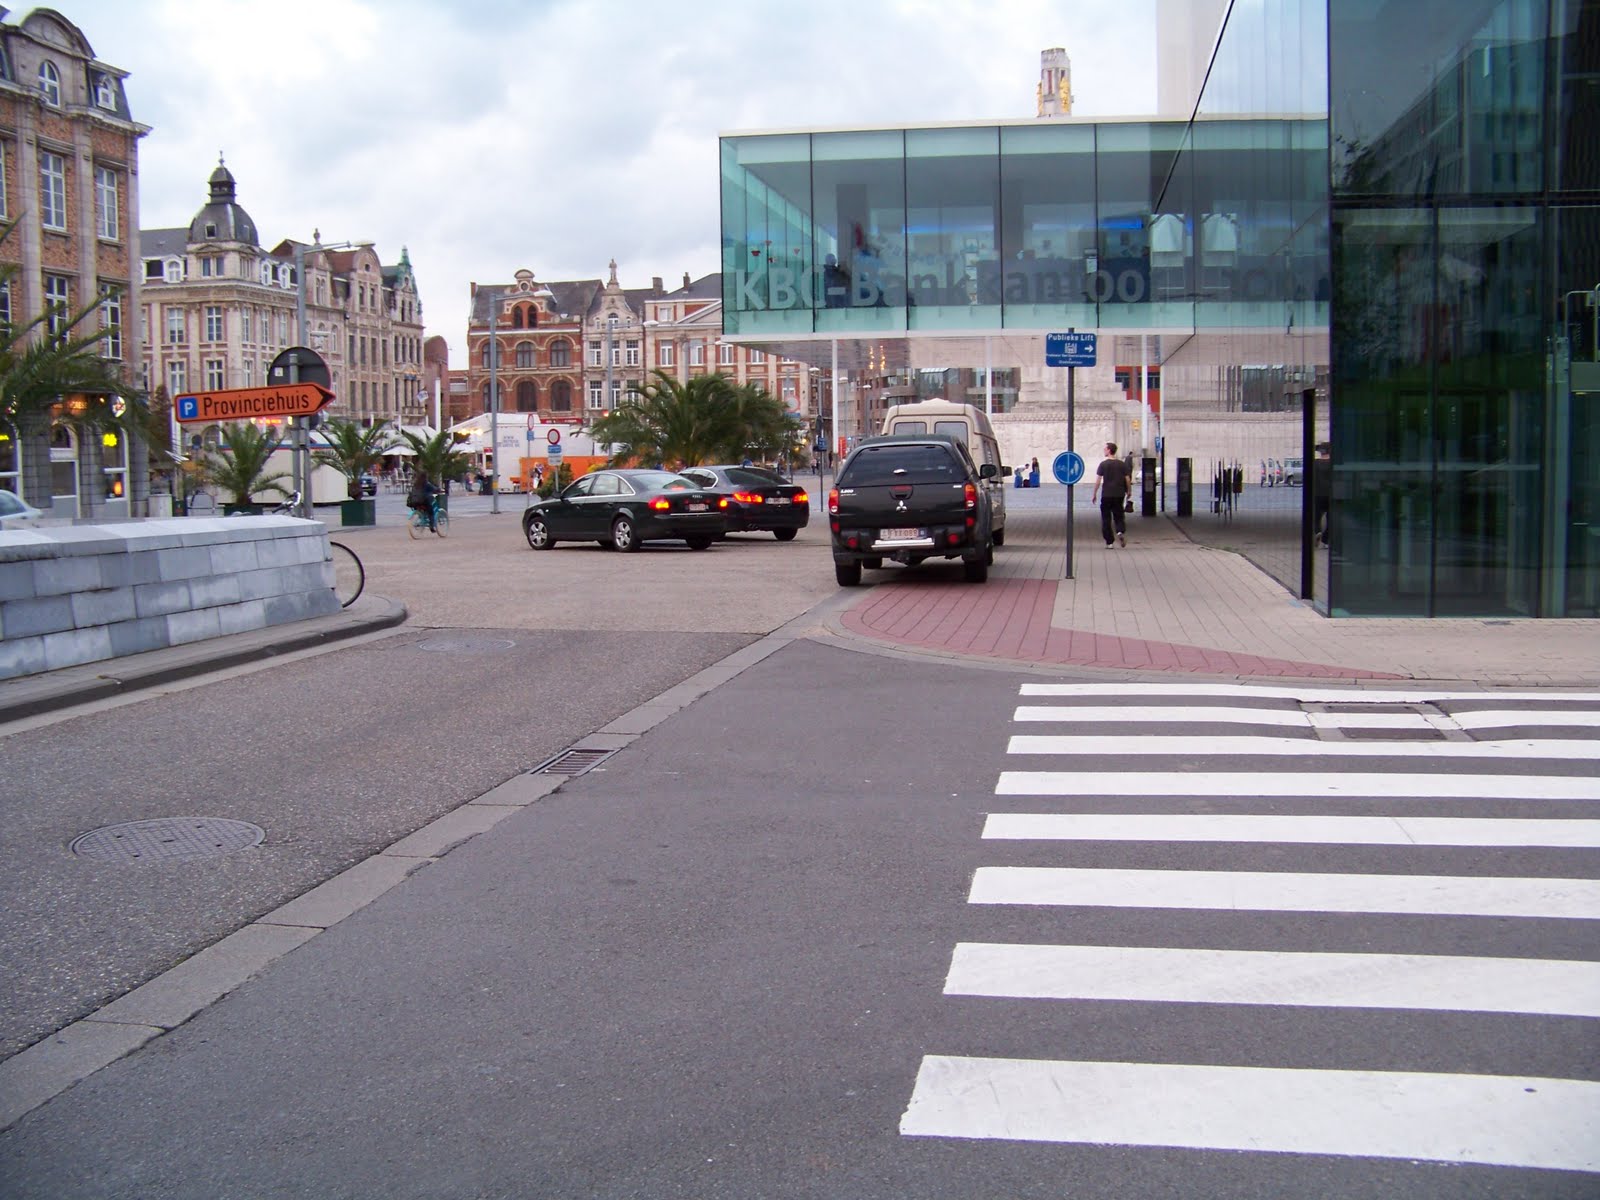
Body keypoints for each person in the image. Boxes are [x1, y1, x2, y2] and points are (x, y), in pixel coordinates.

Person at [1091, 441, 1131, 548]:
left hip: (1106, 495)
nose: (1104, 450)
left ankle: (1109, 542)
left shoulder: (1103, 465)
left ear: (1109, 450)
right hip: (1119, 494)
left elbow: (1098, 480)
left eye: (1105, 449)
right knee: (1119, 515)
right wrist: (1129, 491)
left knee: (1106, 518)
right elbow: (1127, 479)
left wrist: (1094, 493)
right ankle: (1120, 531)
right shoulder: (1122, 464)